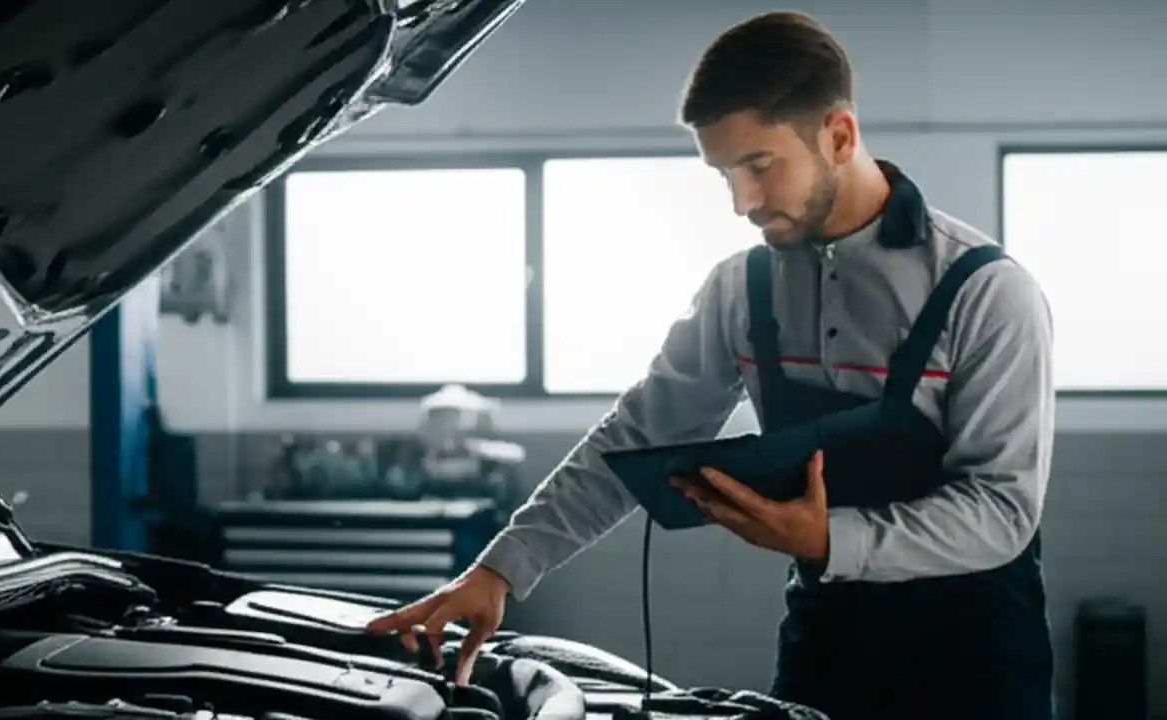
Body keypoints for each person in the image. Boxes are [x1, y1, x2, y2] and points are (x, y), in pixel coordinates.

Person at [367, 10, 1055, 719]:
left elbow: (1002, 511)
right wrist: (500, 569)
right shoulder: (741, 289)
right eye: (724, 174)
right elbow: (634, 436)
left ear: (839, 135)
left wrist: (828, 540)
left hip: (973, 658)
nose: (741, 203)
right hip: (825, 641)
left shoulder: (986, 293)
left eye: (759, 166)